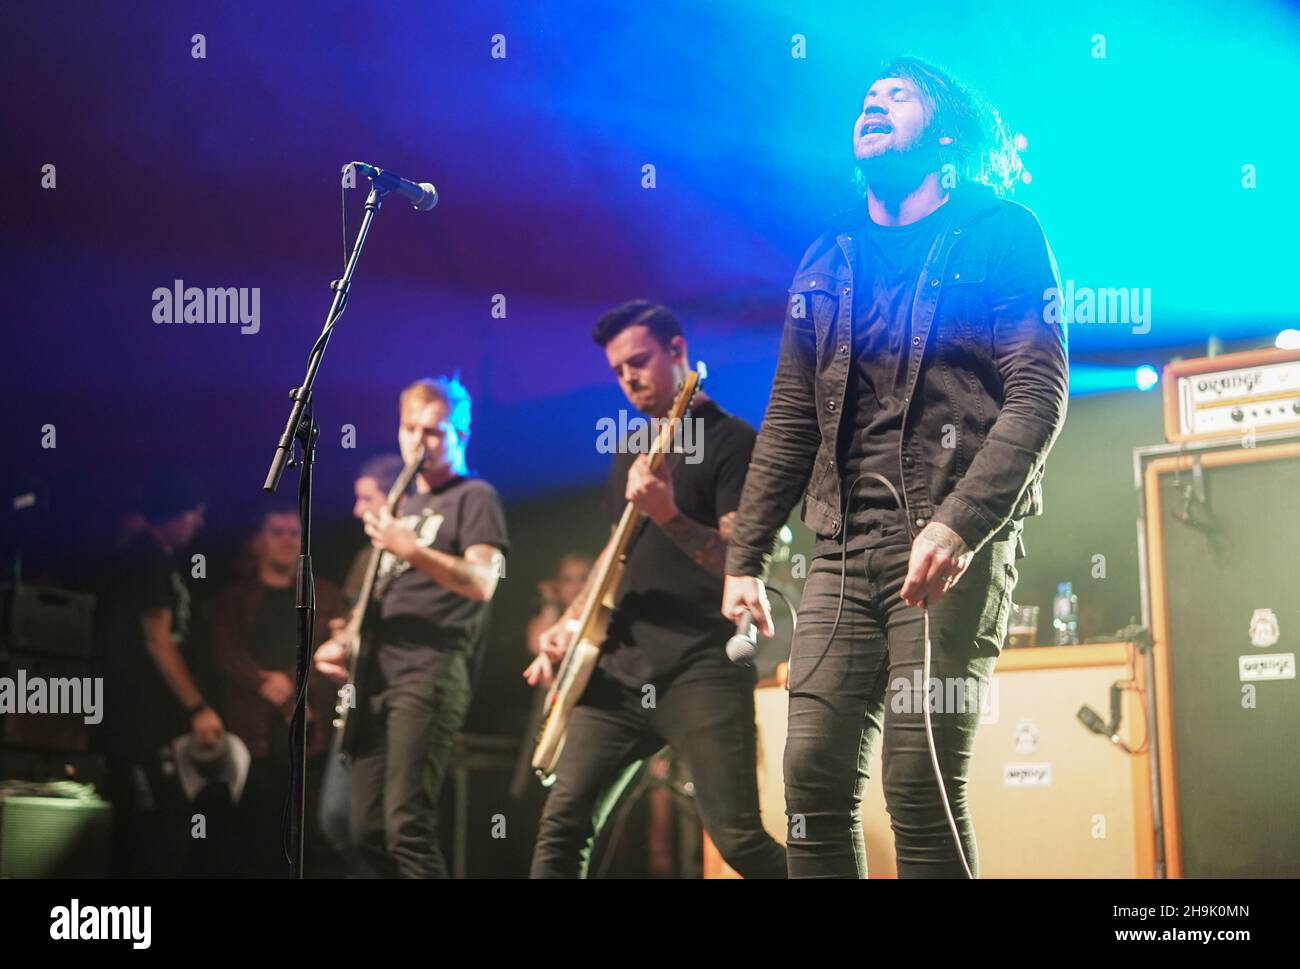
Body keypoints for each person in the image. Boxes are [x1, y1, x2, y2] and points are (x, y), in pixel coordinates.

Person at [722, 56, 1069, 878]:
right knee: (809, 782)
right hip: (842, 550)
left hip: (945, 544)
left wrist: (962, 523)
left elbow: (1038, 395)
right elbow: (789, 418)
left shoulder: (1003, 232)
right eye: (867, 98)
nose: (872, 104)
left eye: (897, 95)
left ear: (944, 133)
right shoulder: (827, 257)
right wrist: (745, 555)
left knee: (918, 785)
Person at [525, 301, 786, 879]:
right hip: (619, 670)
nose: (628, 379)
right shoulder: (633, 449)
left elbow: (742, 564)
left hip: (701, 666)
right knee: (562, 825)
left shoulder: (733, 443)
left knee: (740, 840)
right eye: (617, 371)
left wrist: (667, 512)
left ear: (676, 350)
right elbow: (615, 555)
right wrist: (571, 623)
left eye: (638, 361)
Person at [314, 377, 508, 878]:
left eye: (433, 431)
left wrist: (414, 550)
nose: (418, 442)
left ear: (461, 434)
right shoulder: (403, 502)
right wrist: (345, 643)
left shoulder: (474, 496)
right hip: (374, 679)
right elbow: (382, 590)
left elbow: (484, 581)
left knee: (406, 825)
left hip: (427, 676)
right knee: (363, 828)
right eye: (408, 428)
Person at [97, 469, 223, 876]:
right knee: (152, 830)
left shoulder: (157, 558)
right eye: (194, 513)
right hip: (137, 718)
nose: (199, 523)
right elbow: (158, 640)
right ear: (176, 513)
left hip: (149, 718)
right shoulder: (147, 556)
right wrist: (198, 707)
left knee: (161, 825)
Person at [211, 503, 345, 876]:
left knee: (310, 834)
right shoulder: (236, 597)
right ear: (258, 540)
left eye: (294, 532)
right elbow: (225, 651)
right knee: (253, 836)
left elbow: (330, 647)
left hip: (307, 736)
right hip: (251, 733)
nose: (287, 540)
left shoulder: (326, 594)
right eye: (277, 531)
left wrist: (292, 681)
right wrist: (267, 683)